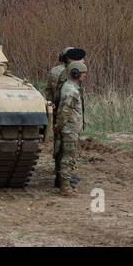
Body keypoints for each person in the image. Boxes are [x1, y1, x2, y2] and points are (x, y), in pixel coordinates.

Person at [47, 46, 85, 188]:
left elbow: (49, 93)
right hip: (66, 113)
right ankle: (64, 179)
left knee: (62, 147)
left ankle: (62, 175)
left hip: (61, 110)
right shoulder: (66, 74)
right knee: (66, 149)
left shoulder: (57, 71)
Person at [56, 60, 88, 196]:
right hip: (70, 129)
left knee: (68, 157)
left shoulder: (69, 87)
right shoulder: (71, 91)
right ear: (76, 74)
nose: (85, 76)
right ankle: (65, 188)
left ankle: (66, 185)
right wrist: (60, 126)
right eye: (83, 74)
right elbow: (65, 111)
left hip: (70, 128)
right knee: (68, 158)